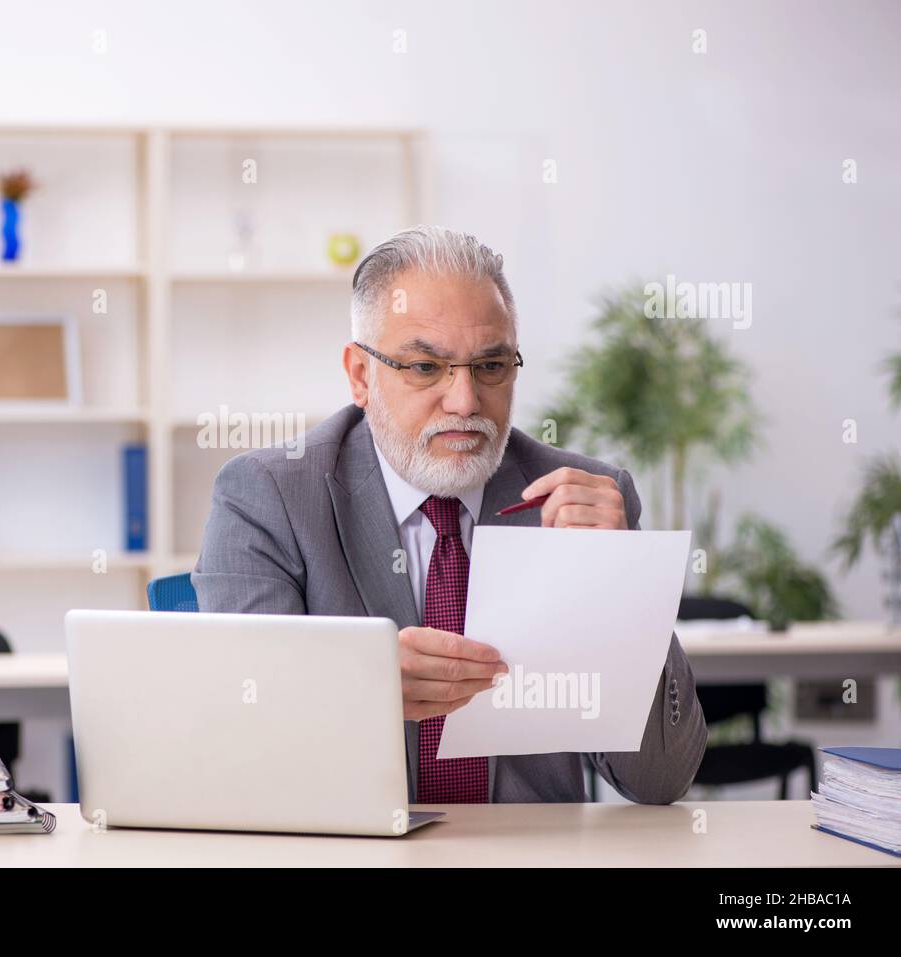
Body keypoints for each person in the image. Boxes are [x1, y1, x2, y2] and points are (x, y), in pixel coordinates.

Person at [192, 225, 706, 804]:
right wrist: (361, 686)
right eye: (425, 368)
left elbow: (660, 781)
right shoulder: (269, 496)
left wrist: (626, 583)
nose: (464, 402)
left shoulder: (583, 500)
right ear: (361, 375)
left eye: (490, 367)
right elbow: (243, 733)